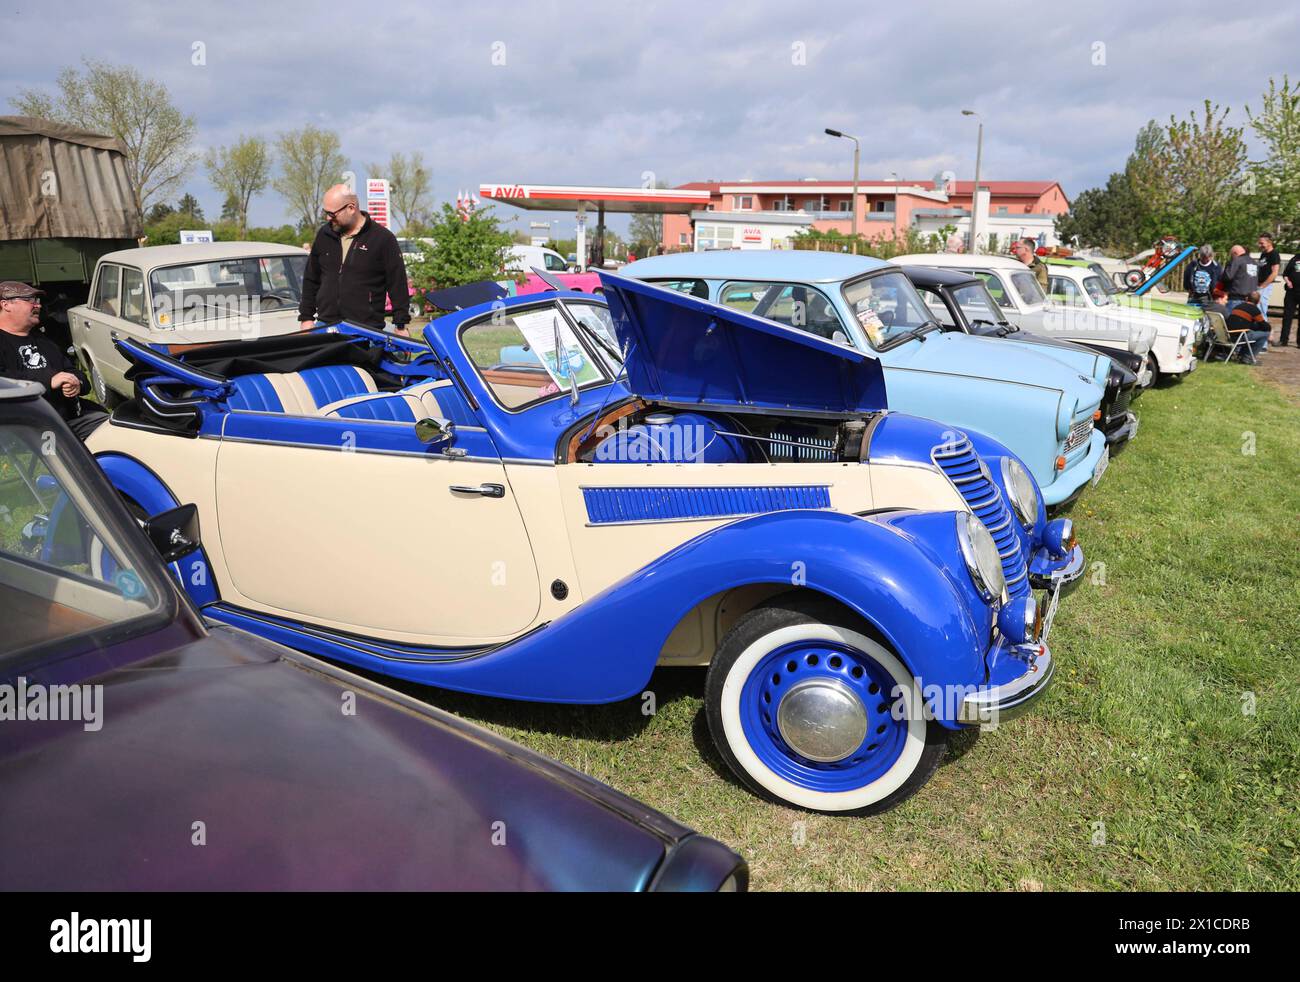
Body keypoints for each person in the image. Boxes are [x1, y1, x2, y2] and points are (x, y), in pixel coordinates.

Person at [299, 184, 410, 336]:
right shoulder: (324, 235)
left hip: (366, 329)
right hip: (325, 325)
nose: (327, 218)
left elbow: (397, 284)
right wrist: (306, 318)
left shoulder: (382, 238)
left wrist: (401, 324)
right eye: (325, 213)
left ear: (351, 208)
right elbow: (311, 278)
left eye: (332, 214)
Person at [0, 282, 107, 440]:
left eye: (38, 301)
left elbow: (73, 371)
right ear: (6, 304)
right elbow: (3, 381)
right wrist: (48, 381)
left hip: (67, 420)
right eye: (31, 300)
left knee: (117, 425)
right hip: (23, 426)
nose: (38, 305)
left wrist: (76, 382)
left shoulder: (44, 340)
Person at [1222, 290, 1270, 359]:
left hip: (1228, 335)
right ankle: (1247, 357)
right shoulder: (1254, 310)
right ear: (1259, 302)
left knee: (1251, 332)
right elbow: (1265, 327)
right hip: (1238, 337)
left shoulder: (1237, 307)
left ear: (1246, 299)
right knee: (1265, 334)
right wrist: (1271, 331)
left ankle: (1242, 356)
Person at [1218, 245, 1259, 310]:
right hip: (1251, 300)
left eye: (1231, 255)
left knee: (1232, 319)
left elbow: (1227, 277)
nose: (1231, 257)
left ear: (1235, 253)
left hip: (1236, 298)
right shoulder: (1254, 263)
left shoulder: (1237, 260)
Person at [1255, 233, 1280, 324]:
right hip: (1259, 285)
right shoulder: (1263, 254)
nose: (1260, 245)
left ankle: (1264, 332)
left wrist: (1262, 286)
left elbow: (1274, 273)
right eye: (1259, 243)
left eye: (1262, 243)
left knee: (1261, 309)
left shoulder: (1274, 254)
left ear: (1269, 242)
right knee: (1256, 309)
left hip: (1265, 286)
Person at [1281, 251, 1300, 348]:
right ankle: (1283, 340)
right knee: (1287, 317)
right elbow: (1285, 274)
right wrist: (1288, 282)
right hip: (1291, 292)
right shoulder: (1294, 259)